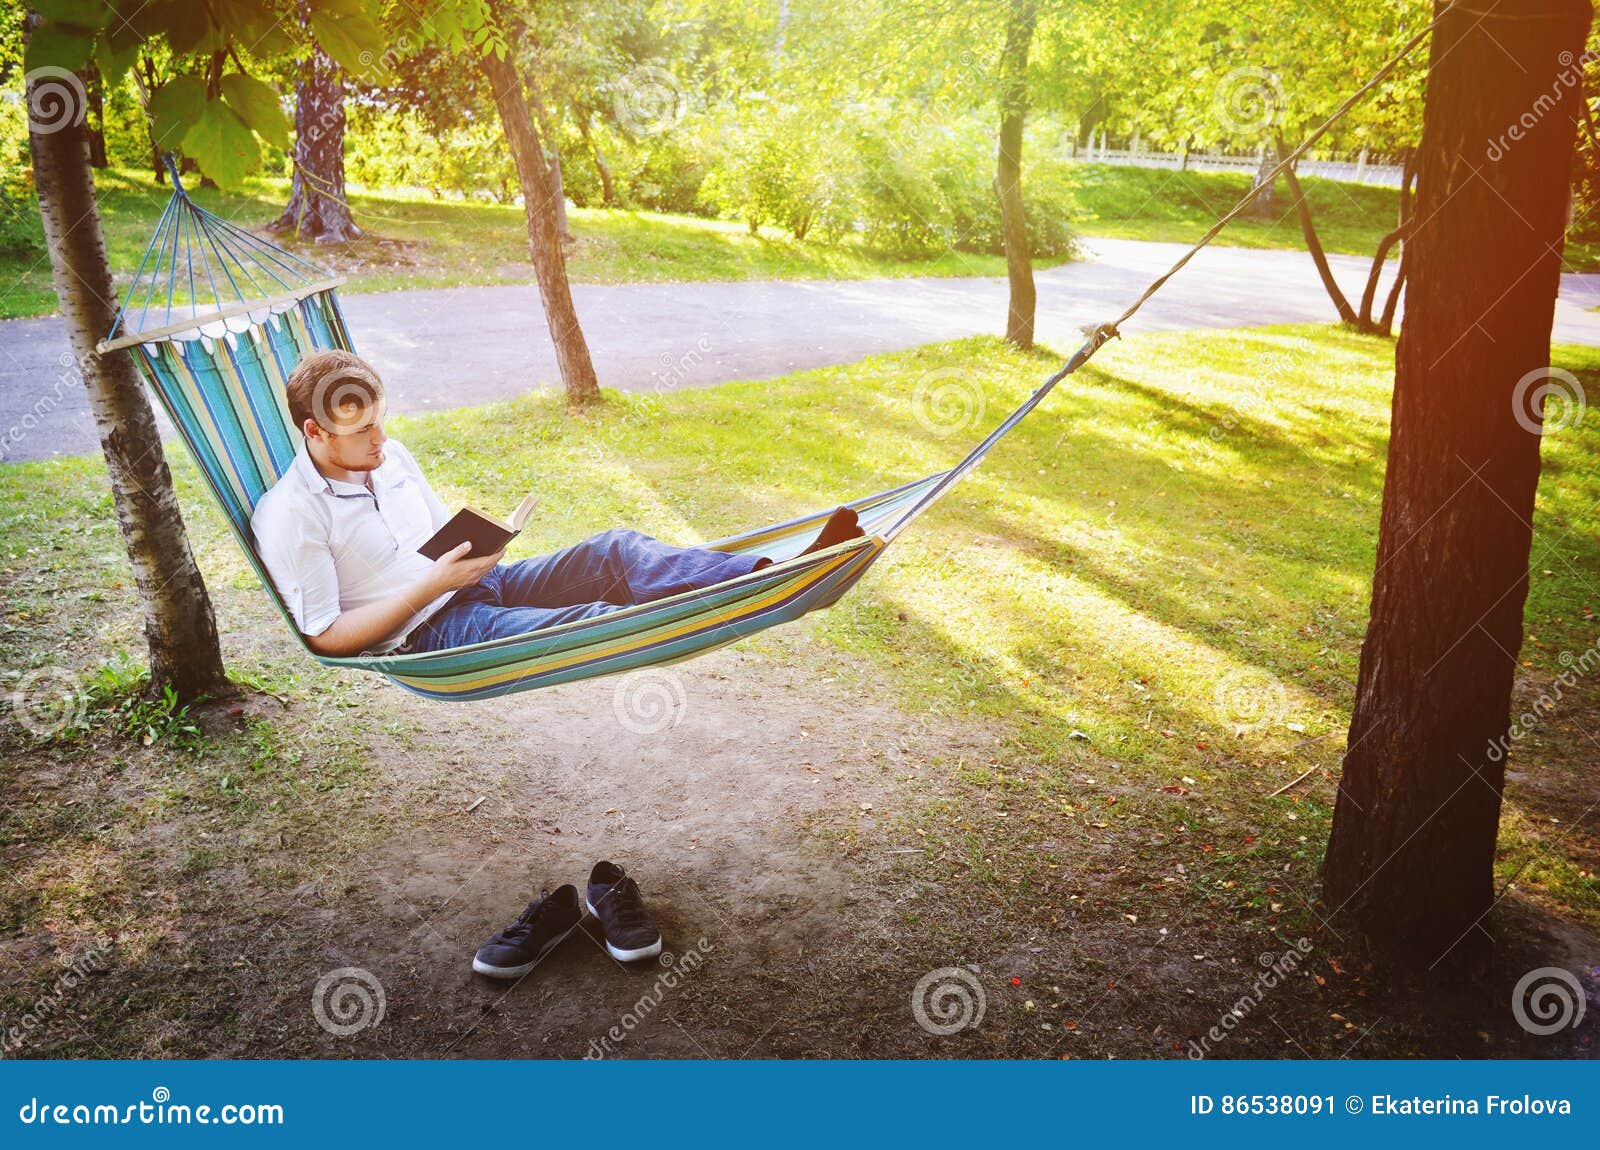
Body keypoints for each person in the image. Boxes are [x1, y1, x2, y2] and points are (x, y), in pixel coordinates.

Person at [249, 350, 864, 658]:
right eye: (364, 434)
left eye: (383, 422)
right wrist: (431, 586)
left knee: (617, 551)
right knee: (591, 620)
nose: (383, 443)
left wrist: (480, 545)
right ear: (314, 433)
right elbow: (326, 636)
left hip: (470, 586)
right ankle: (757, 594)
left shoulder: (391, 456)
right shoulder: (291, 515)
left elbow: (438, 535)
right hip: (432, 629)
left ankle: (775, 574)